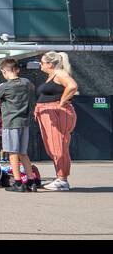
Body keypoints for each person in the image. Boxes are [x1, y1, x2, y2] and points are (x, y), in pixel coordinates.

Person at [0, 58, 39, 193]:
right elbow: (32, 88)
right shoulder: (26, 82)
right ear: (16, 69)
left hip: (11, 122)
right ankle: (31, 182)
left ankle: (18, 183)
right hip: (24, 122)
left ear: (3, 71)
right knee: (23, 153)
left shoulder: (4, 86)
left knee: (12, 153)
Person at [35, 50, 79, 191]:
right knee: (53, 146)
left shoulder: (60, 73)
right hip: (49, 113)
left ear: (49, 64)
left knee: (58, 146)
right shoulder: (52, 75)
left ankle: (62, 180)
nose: (39, 65)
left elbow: (72, 86)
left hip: (56, 112)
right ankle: (60, 178)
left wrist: (61, 103)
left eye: (41, 62)